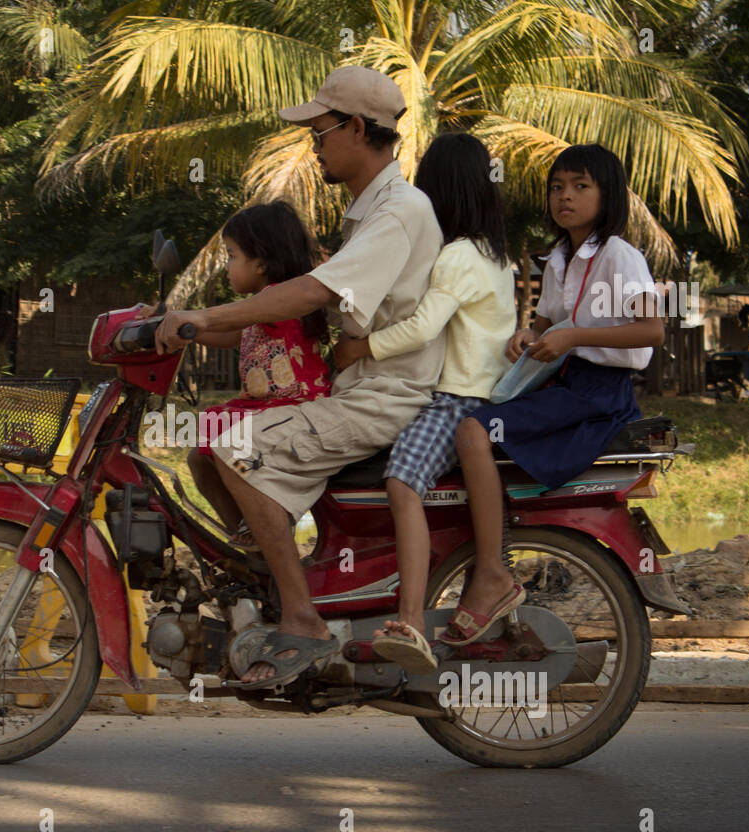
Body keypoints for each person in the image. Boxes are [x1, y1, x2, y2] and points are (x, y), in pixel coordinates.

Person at [157, 65, 446, 689]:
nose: (314, 145)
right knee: (210, 439)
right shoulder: (365, 214)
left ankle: (302, 618)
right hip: (357, 387)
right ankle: (267, 566)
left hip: (381, 396)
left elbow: (309, 293)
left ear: (358, 129)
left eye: (321, 132)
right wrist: (189, 326)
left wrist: (202, 315)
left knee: (238, 444)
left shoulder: (397, 212)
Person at [446, 143, 665, 645]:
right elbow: (544, 324)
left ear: (606, 195)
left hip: (598, 396)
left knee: (473, 430)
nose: (565, 196)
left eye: (580, 186)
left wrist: (574, 336)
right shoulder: (563, 257)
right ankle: (487, 560)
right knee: (461, 423)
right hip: (563, 384)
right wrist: (527, 336)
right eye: (557, 187)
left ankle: (492, 574)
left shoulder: (620, 255)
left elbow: (651, 330)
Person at [331, 132, 514, 673]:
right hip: (481, 397)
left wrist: (357, 347)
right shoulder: (495, 256)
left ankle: (410, 618)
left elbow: (420, 328)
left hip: (455, 400)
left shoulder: (457, 255)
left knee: (402, 480)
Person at [187, 201, 331, 548]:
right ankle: (248, 531)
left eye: (232, 256)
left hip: (290, 406)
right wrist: (181, 329)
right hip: (267, 406)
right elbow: (227, 335)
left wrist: (188, 317)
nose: (227, 266)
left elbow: (228, 321)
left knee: (215, 446)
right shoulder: (262, 306)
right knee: (200, 452)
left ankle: (257, 531)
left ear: (262, 262)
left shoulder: (275, 300)